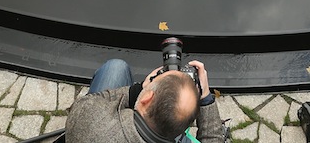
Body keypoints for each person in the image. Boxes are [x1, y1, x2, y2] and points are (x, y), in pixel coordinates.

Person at [64, 58, 225, 143]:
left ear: (147, 98)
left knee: (115, 68)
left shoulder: (89, 120)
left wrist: (137, 89)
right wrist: (205, 100)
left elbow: (91, 101)